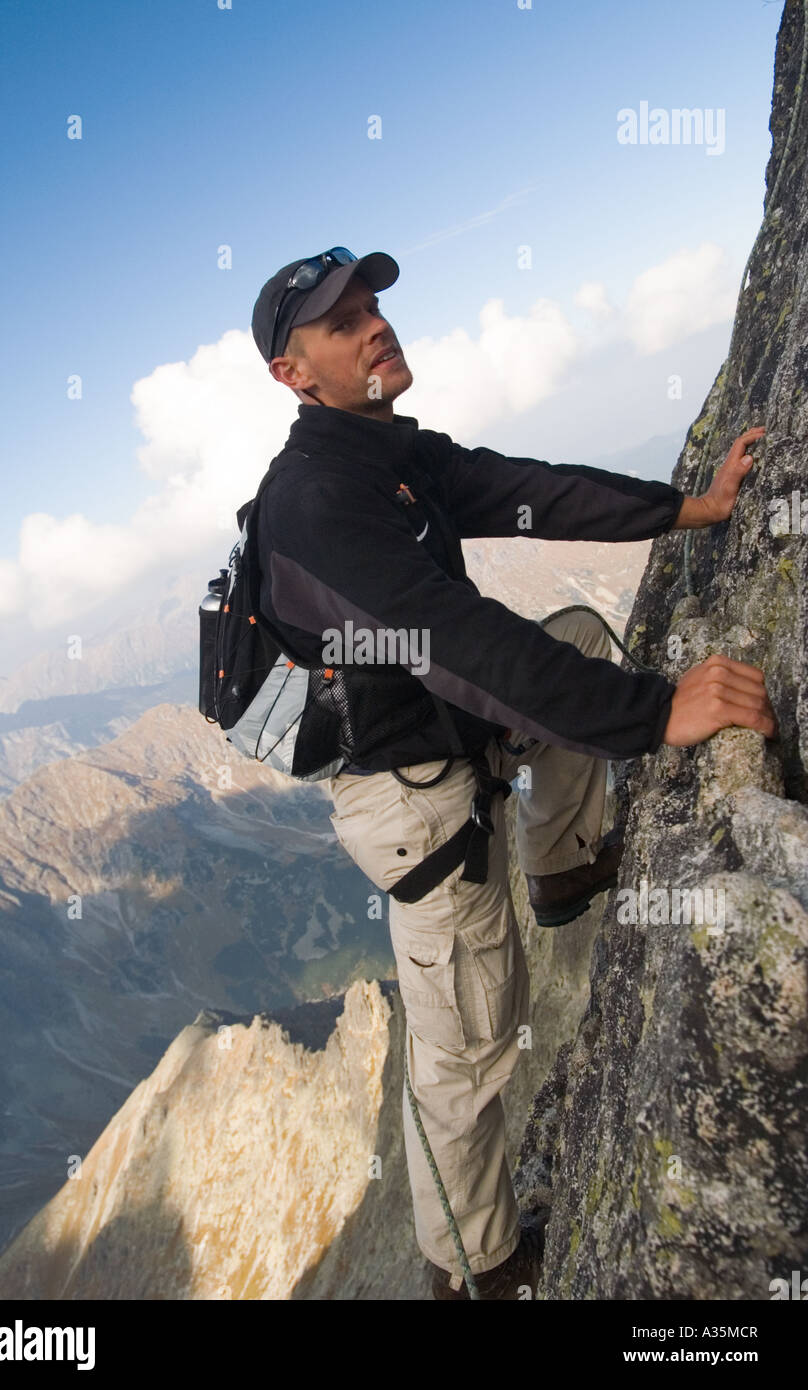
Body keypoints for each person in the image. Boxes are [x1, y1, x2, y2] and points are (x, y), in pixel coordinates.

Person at [248, 247, 776, 1300]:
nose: (373, 325)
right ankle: (474, 1267)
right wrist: (655, 711)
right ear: (294, 373)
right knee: (463, 1059)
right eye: (341, 322)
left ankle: (567, 866)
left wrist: (690, 507)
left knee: (574, 630)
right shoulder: (314, 499)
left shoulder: (388, 452)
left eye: (371, 304)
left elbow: (528, 492)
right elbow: (458, 642)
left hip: (446, 729)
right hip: (414, 798)